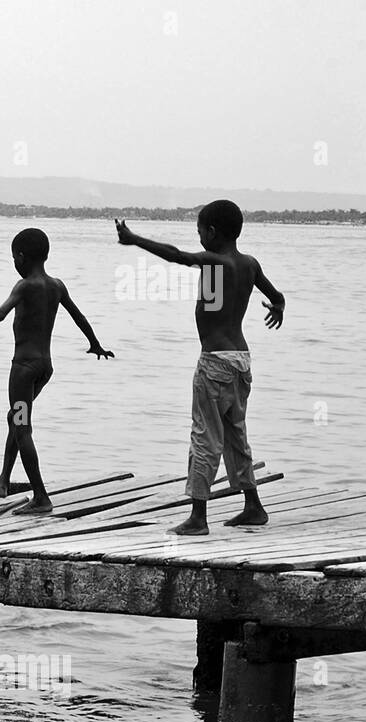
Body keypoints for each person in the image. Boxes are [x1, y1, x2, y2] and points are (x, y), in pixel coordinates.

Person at [117, 200, 285, 534]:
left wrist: (135, 239)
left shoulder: (213, 261)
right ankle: (253, 506)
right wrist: (277, 307)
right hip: (241, 361)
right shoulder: (249, 264)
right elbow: (277, 295)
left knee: (205, 437)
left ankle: (198, 517)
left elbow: (177, 255)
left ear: (211, 232)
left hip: (215, 363)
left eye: (199, 232)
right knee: (235, 435)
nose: (198, 239)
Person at [0, 228, 112, 514]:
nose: (14, 263)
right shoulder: (56, 285)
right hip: (44, 368)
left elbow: (0, 313)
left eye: (14, 257)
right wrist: (95, 344)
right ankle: (3, 482)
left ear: (21, 257)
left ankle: (40, 497)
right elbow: (79, 316)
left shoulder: (24, 286)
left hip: (23, 371)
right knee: (15, 418)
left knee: (23, 428)